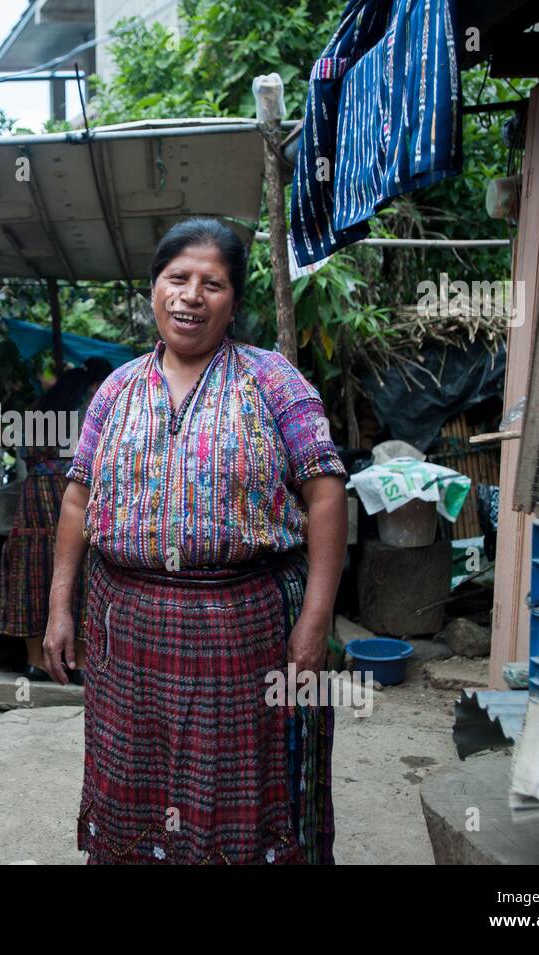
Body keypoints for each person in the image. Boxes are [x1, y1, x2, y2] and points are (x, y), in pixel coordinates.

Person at [44, 217, 349, 864]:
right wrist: (59, 607)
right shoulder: (116, 390)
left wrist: (317, 615)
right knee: (133, 779)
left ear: (234, 301)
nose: (190, 296)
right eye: (176, 278)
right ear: (153, 288)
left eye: (211, 283)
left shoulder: (273, 381)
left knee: (236, 786)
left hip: (240, 628)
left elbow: (324, 489)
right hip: (124, 629)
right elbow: (76, 496)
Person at [0, 358, 113, 683]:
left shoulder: (39, 408)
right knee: (78, 569)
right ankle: (76, 662)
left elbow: (22, 456)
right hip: (69, 492)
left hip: (33, 495)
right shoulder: (88, 408)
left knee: (31, 571)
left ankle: (35, 662)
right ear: (90, 387)